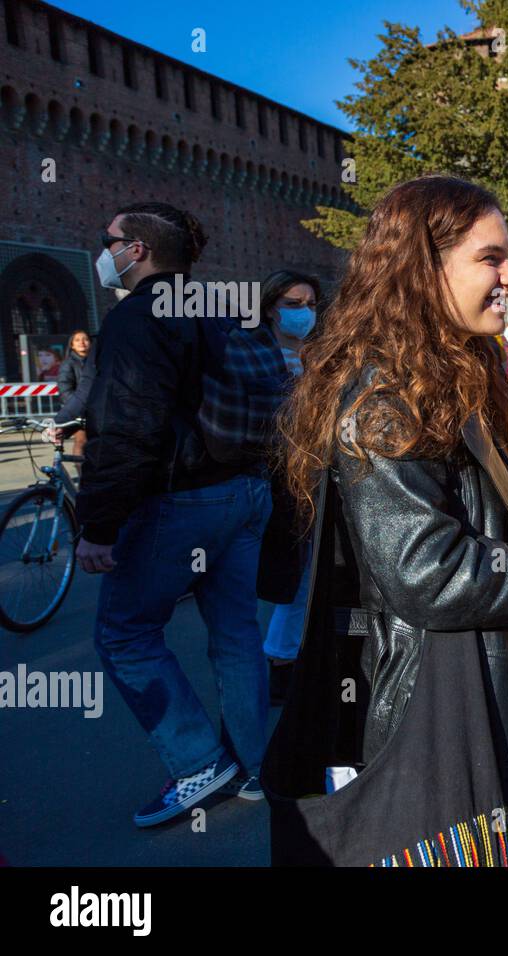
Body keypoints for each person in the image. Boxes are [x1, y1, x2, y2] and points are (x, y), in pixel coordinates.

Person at [264, 176, 508, 867]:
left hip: (494, 684)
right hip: (437, 711)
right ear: (422, 268)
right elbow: (429, 572)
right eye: (491, 259)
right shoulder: (382, 398)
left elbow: (492, 482)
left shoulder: (447, 368)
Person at [76, 202, 274, 826]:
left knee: (126, 634)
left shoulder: (138, 318)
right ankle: (252, 768)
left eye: (109, 240)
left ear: (137, 251)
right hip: (245, 493)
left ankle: (197, 763)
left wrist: (99, 526)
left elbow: (127, 428)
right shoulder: (223, 306)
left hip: (180, 500)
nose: (103, 249)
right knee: (238, 636)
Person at [254, 270, 321, 706]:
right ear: (270, 309)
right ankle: (278, 662)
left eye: (311, 305)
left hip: (318, 478)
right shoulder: (257, 356)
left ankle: (286, 660)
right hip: (276, 483)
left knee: (307, 575)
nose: (304, 314)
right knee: (293, 577)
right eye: (293, 305)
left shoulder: (320, 357)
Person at [53, 329, 94, 469]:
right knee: (81, 441)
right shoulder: (68, 364)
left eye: (85, 339)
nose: (82, 343)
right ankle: (82, 480)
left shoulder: (96, 362)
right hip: (79, 413)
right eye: (77, 340)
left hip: (96, 411)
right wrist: (80, 408)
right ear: (72, 345)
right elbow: (65, 390)